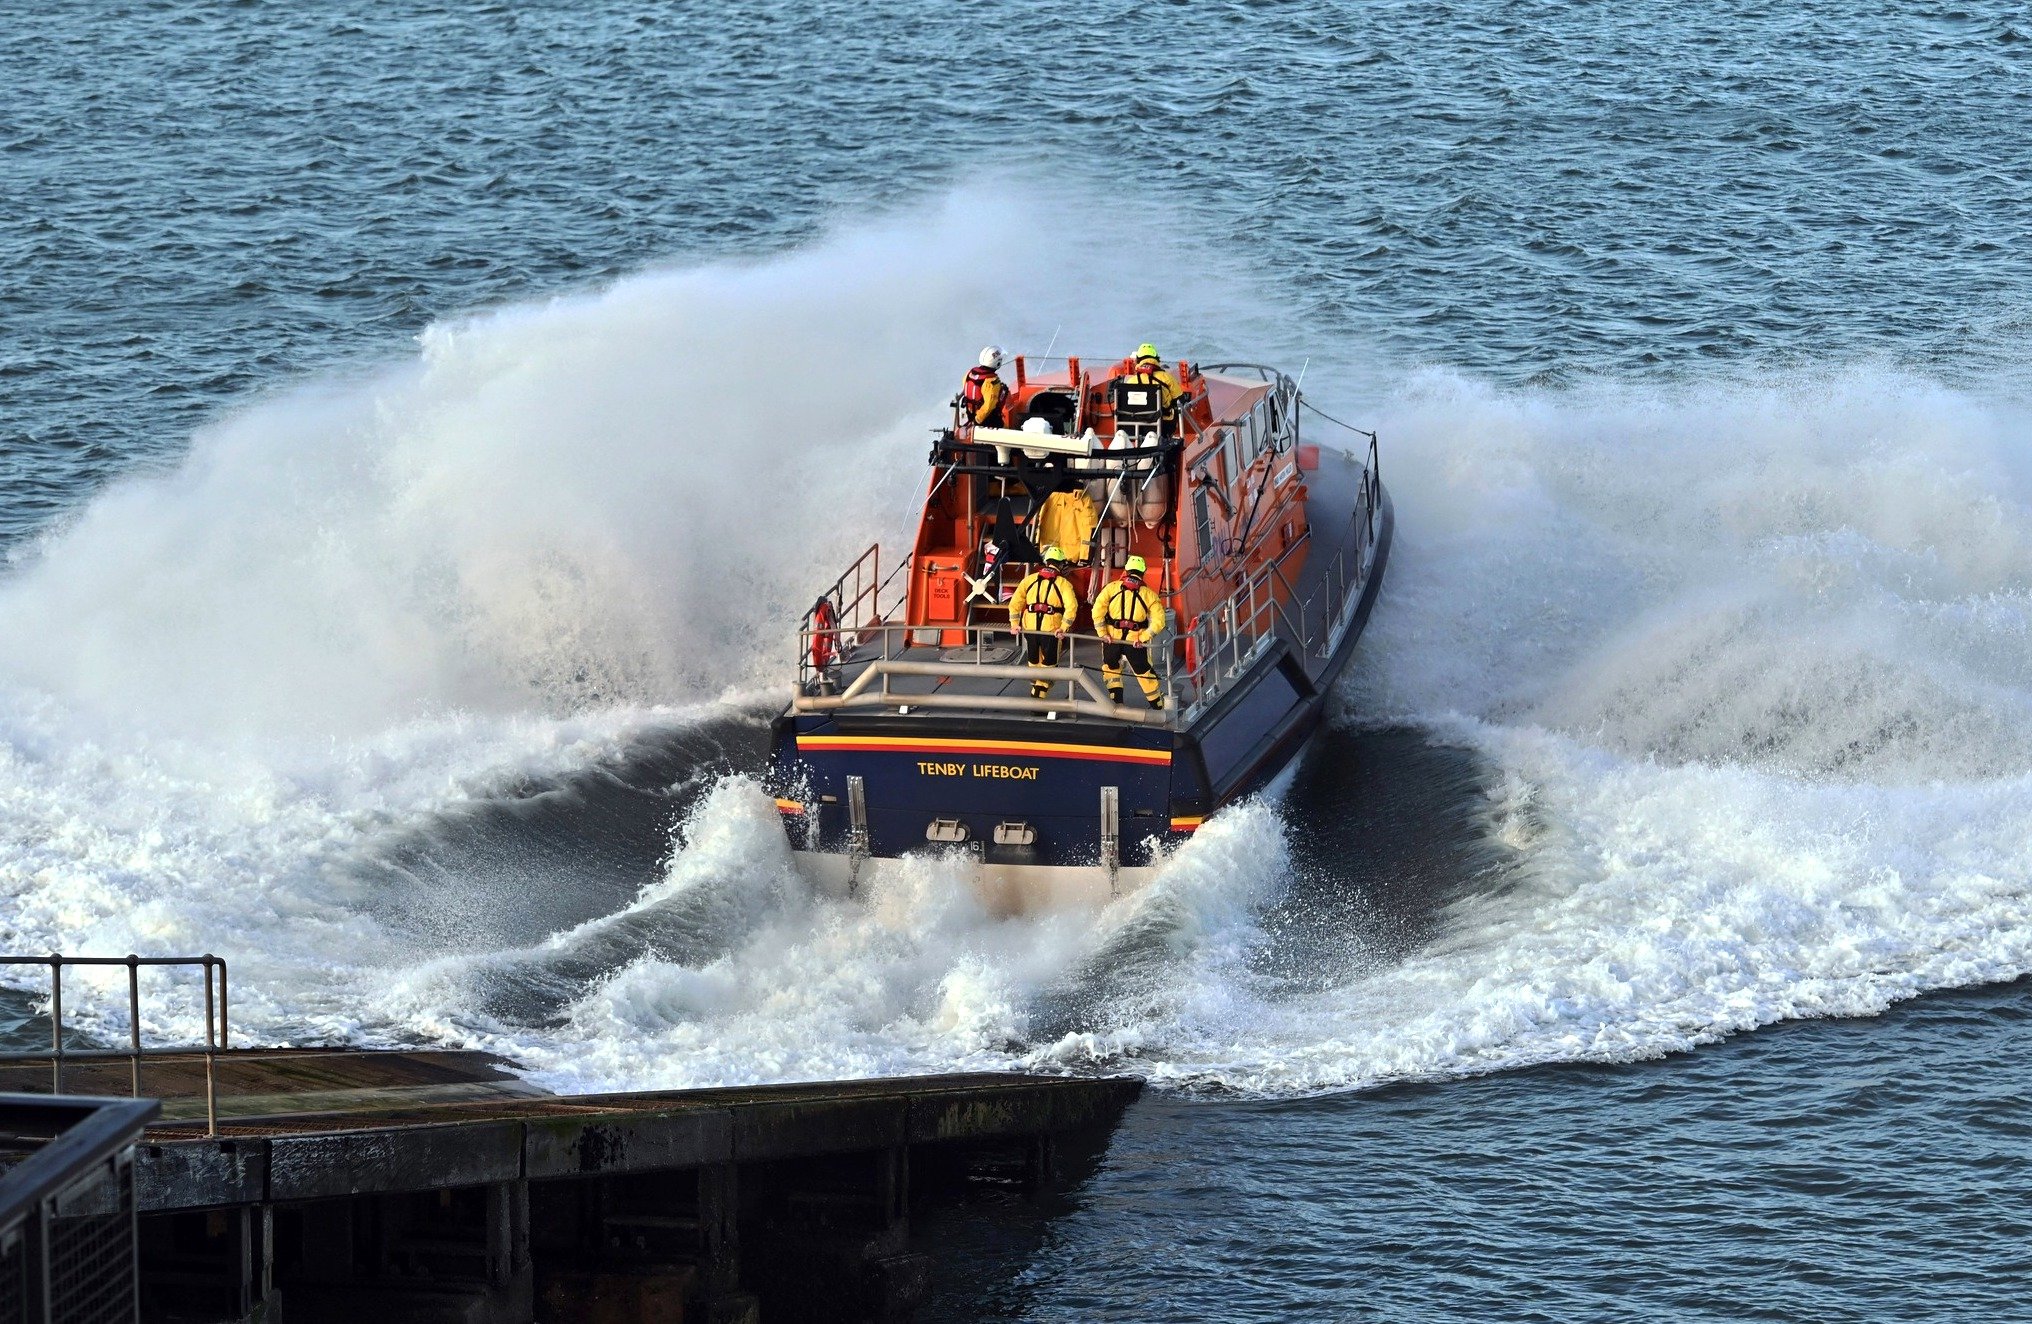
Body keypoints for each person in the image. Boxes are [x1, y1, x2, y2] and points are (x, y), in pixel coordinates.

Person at [1090, 554, 1167, 710]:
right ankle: (1158, 706)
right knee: (1144, 672)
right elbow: (1159, 621)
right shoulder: (1149, 594)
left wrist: (1102, 633)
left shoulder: (1111, 588)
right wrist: (1144, 638)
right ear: (1142, 573)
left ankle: (1116, 702)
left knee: (1111, 668)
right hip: (1135, 641)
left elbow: (1097, 610)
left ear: (1126, 571)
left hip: (1111, 639)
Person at [1007, 545, 1080, 703]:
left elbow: (1015, 603)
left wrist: (1015, 624)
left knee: (1034, 659)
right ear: (1060, 565)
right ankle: (1038, 696)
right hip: (1051, 630)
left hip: (1030, 628)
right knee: (1049, 663)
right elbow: (1071, 608)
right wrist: (1063, 628)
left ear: (1046, 562)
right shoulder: (1063, 584)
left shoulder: (1029, 580)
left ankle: (1037, 688)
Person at [1116, 343, 1182, 426]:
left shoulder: (1130, 382)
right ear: (1156, 359)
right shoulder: (1167, 378)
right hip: (1164, 424)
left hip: (1135, 424)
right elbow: (1180, 398)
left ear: (1138, 360)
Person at [960, 346, 1009, 427]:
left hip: (970, 413)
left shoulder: (970, 373)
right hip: (986, 420)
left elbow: (966, 388)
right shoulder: (991, 381)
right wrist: (977, 420)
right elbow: (989, 405)